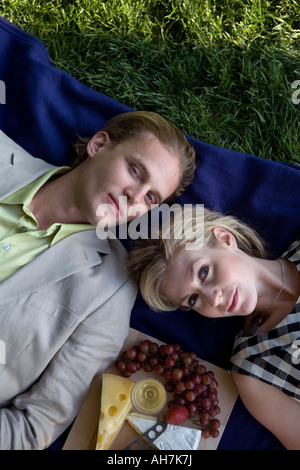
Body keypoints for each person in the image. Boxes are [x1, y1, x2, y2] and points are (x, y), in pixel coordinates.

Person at [0, 110, 196, 449]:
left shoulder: (112, 291)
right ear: (99, 144)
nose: (135, 197)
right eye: (135, 171)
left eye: (151, 198)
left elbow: (34, 428)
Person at [127, 206, 300, 450]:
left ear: (225, 239)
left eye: (204, 272)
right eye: (193, 299)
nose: (213, 299)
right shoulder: (252, 367)